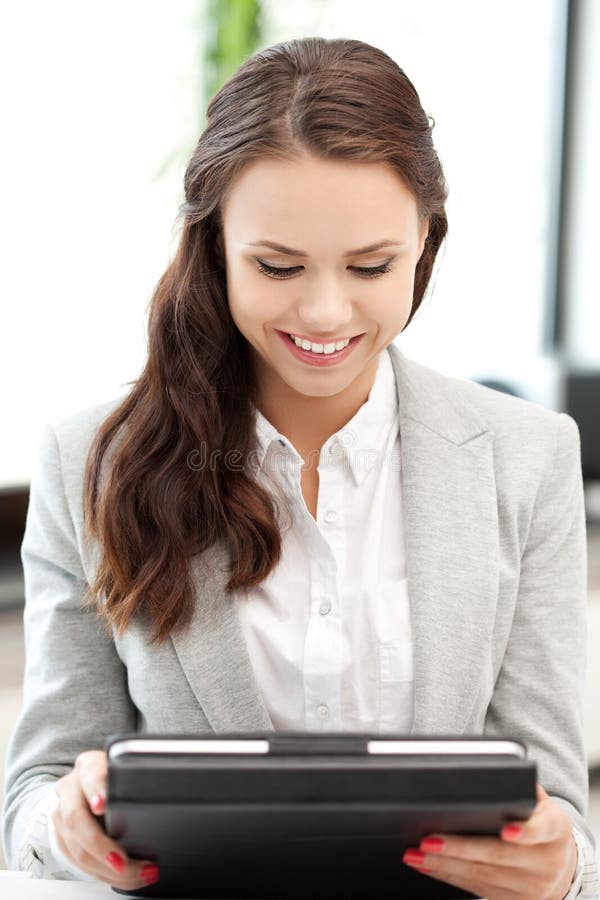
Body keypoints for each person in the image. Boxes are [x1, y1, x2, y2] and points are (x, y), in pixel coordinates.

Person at [2, 35, 598, 899]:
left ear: (425, 241)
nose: (325, 311)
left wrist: (562, 865)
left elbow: (559, 816)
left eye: (371, 266)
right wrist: (62, 824)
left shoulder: (528, 458)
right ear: (213, 248)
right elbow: (34, 798)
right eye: (277, 266)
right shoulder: (88, 463)